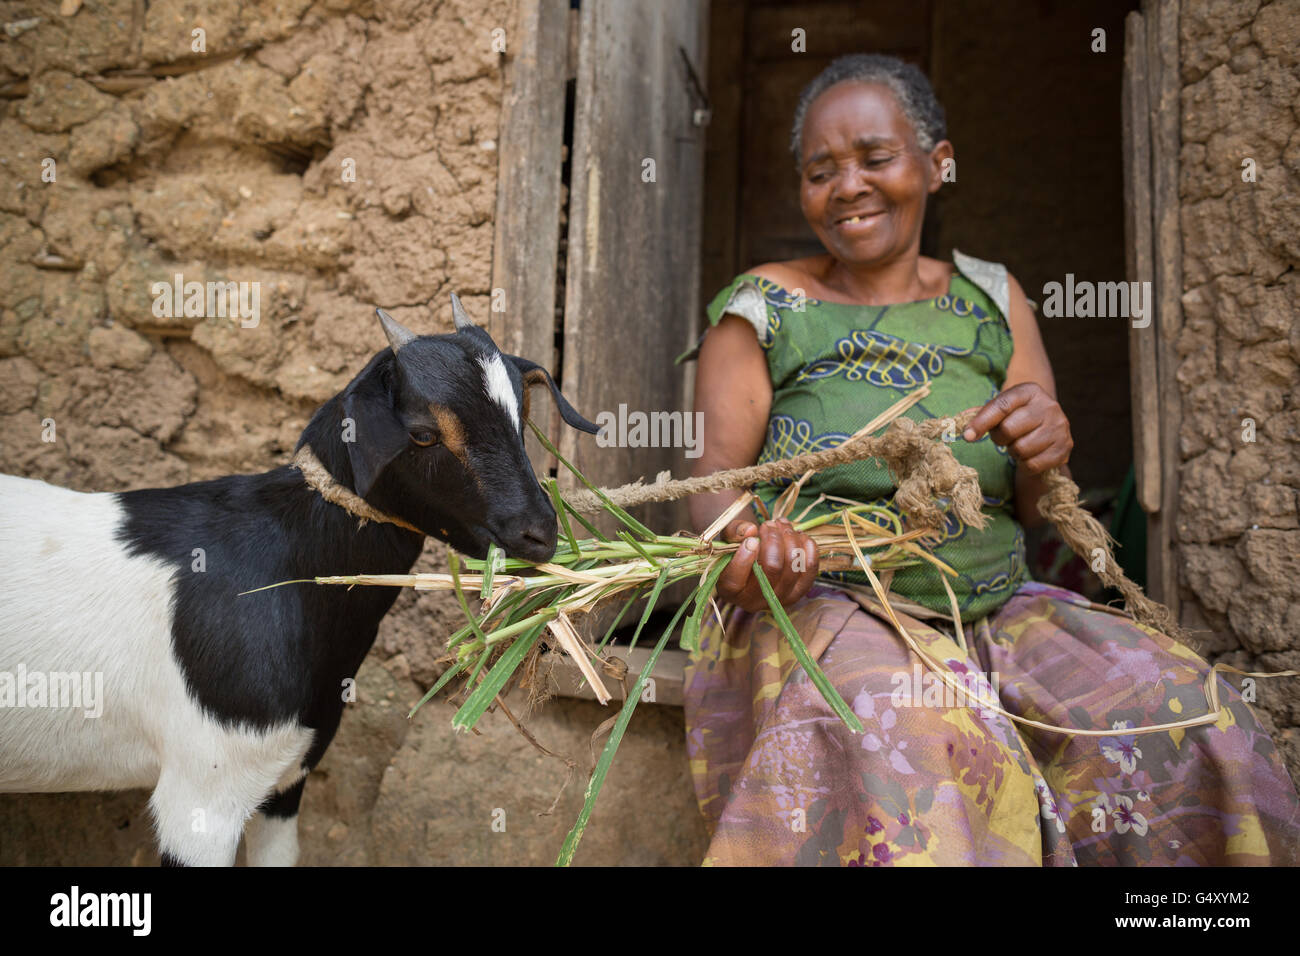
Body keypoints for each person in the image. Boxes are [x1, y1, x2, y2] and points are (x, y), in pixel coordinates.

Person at [683, 54, 1299, 866]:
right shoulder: (763, 304)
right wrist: (756, 554)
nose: (847, 187)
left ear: (938, 165)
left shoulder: (991, 297)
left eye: (874, 158)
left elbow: (1043, 496)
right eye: (820, 170)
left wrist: (1048, 445)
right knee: (903, 733)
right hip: (828, 607)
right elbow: (717, 497)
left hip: (993, 599)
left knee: (1188, 713)